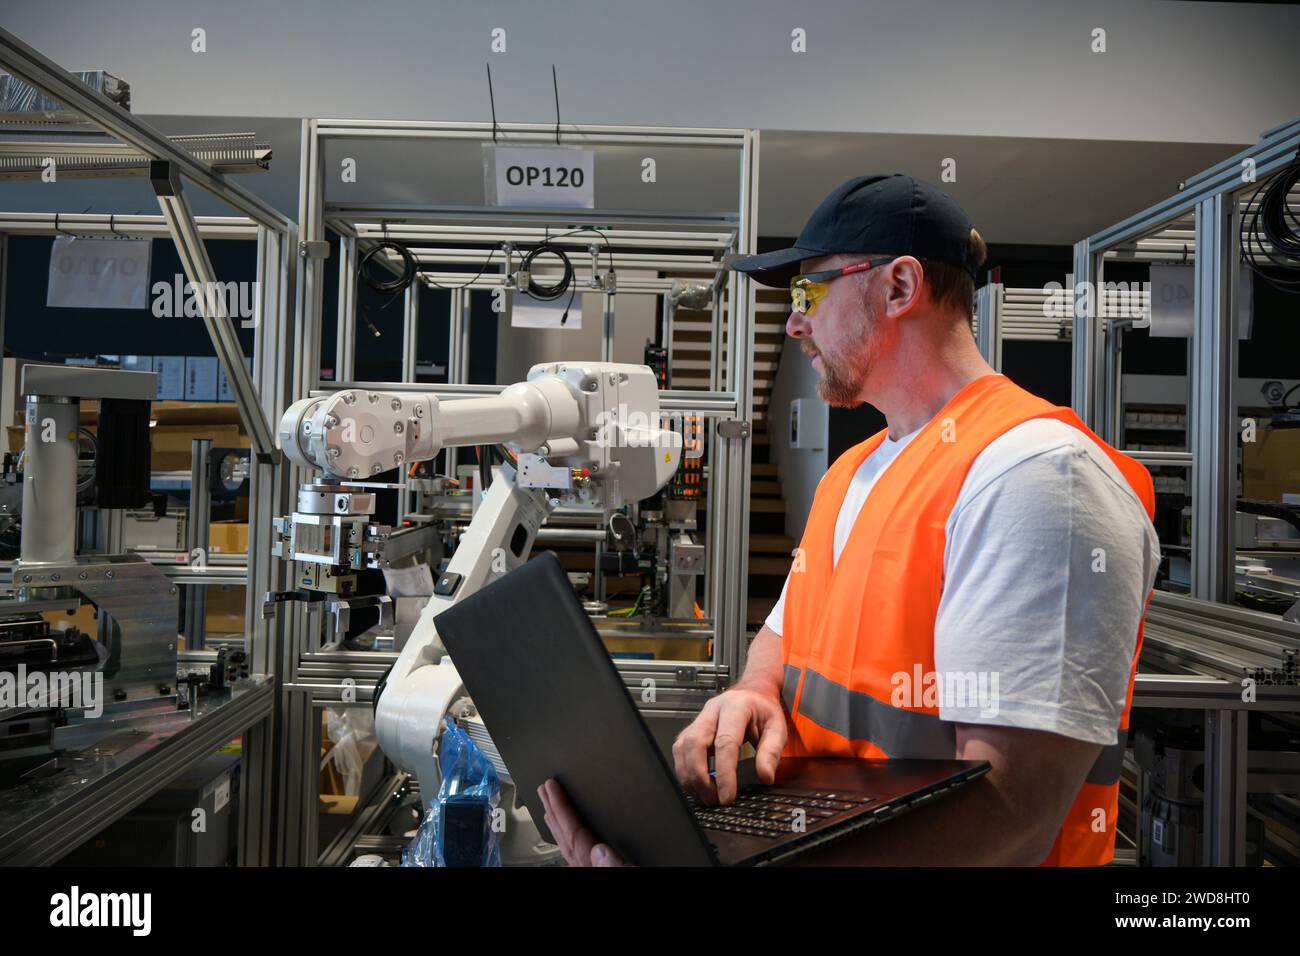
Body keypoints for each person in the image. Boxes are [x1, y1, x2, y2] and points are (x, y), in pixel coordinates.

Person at [539, 174, 1160, 866]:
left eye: (809, 292)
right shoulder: (853, 472)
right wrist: (754, 689)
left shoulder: (1037, 477)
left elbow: (1009, 822)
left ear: (898, 288)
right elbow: (785, 631)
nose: (793, 322)